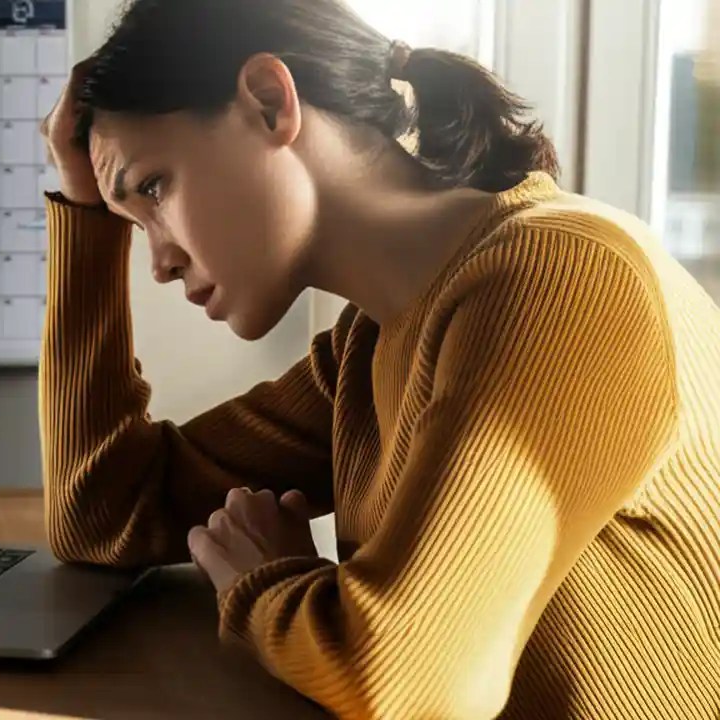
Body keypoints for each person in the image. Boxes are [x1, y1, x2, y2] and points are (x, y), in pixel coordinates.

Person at [37, 0, 720, 717]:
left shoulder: (563, 278)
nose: (161, 264)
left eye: (153, 187)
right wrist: (87, 213)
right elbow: (102, 511)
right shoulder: (368, 349)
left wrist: (269, 582)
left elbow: (407, 680)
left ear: (270, 103)